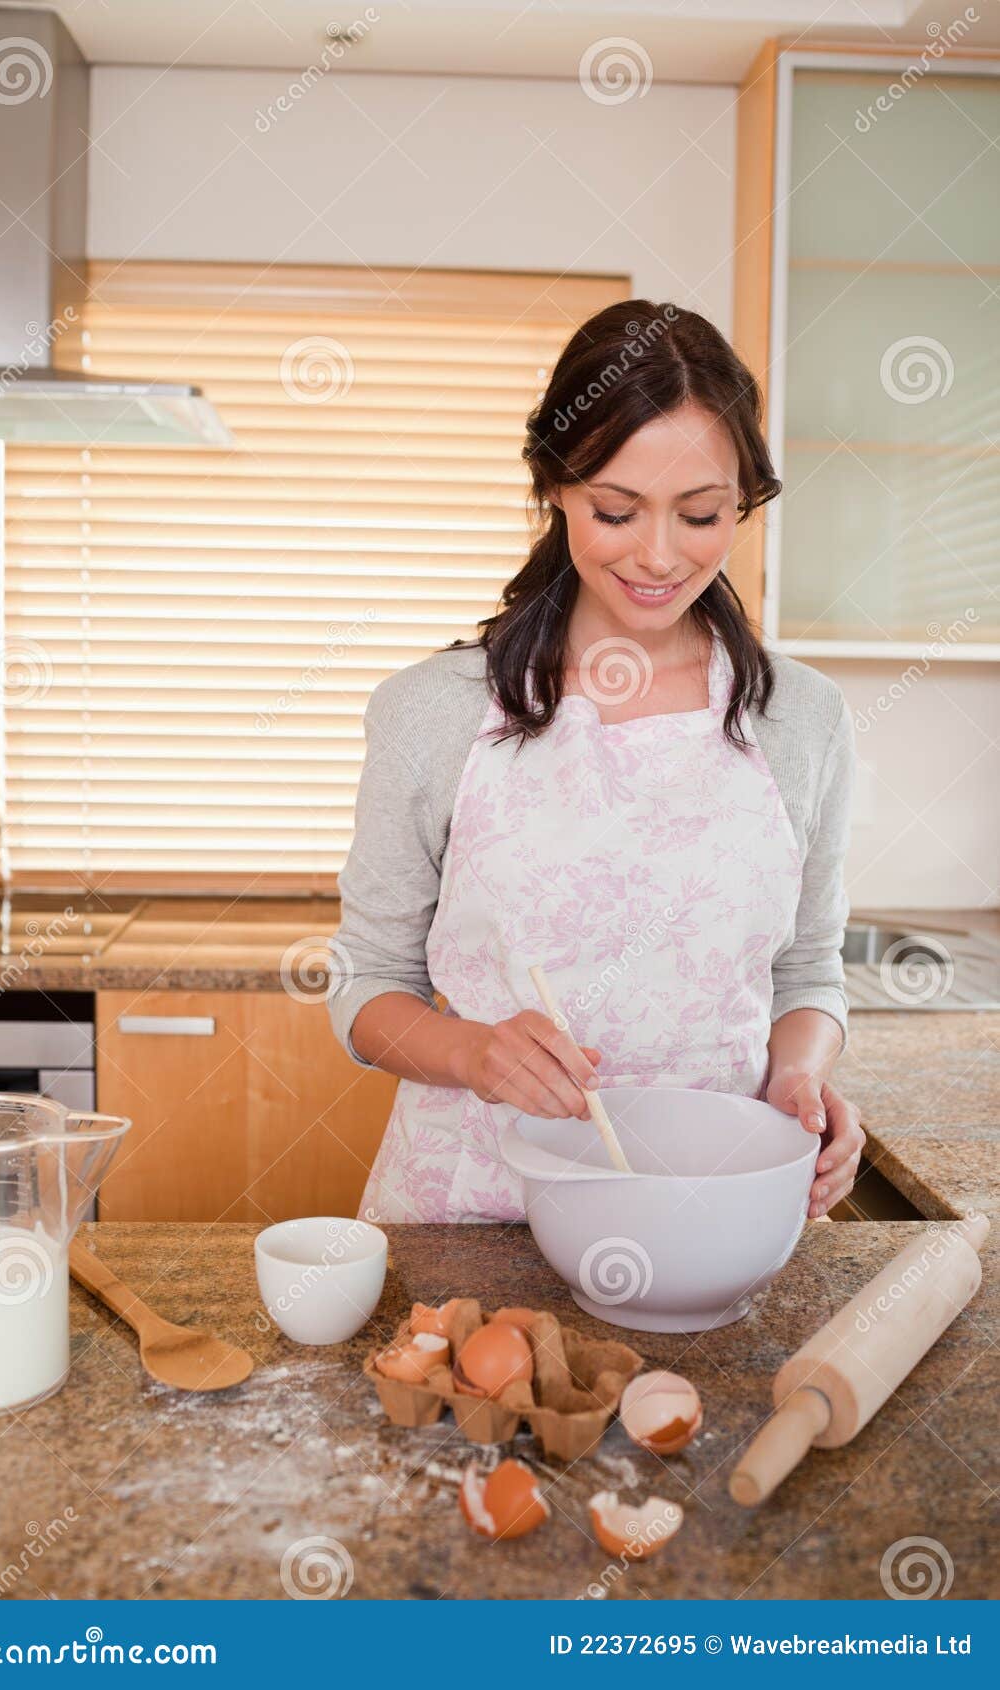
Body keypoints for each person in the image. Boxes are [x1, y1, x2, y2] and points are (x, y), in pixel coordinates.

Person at [326, 299, 864, 1224]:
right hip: (473, 1217)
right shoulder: (435, 711)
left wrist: (800, 1082)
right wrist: (471, 1054)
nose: (658, 556)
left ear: (742, 505)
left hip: (712, 1208)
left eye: (700, 516)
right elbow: (366, 982)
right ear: (555, 489)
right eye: (616, 511)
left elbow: (808, 971)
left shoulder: (799, 718)